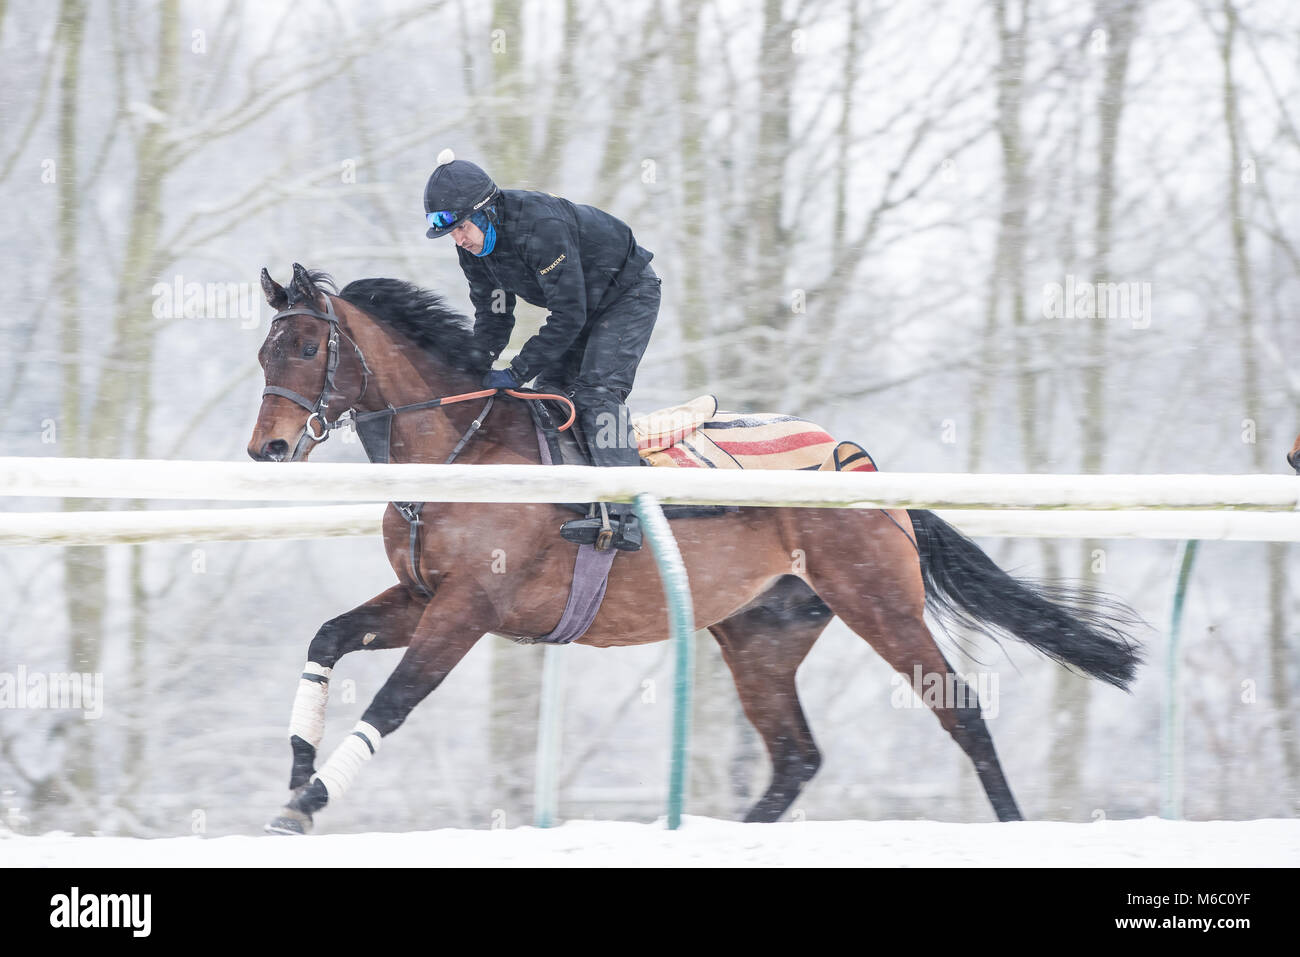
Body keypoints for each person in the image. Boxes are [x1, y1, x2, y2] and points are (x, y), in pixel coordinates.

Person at [423, 149, 660, 551]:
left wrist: (515, 371)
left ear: (487, 213)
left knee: (598, 393)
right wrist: (472, 366)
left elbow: (568, 315)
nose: (458, 240)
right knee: (552, 396)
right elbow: (495, 316)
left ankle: (624, 514)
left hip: (627, 295)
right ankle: (574, 501)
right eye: (452, 234)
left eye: (462, 228)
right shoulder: (475, 251)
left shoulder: (540, 228)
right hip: (582, 305)